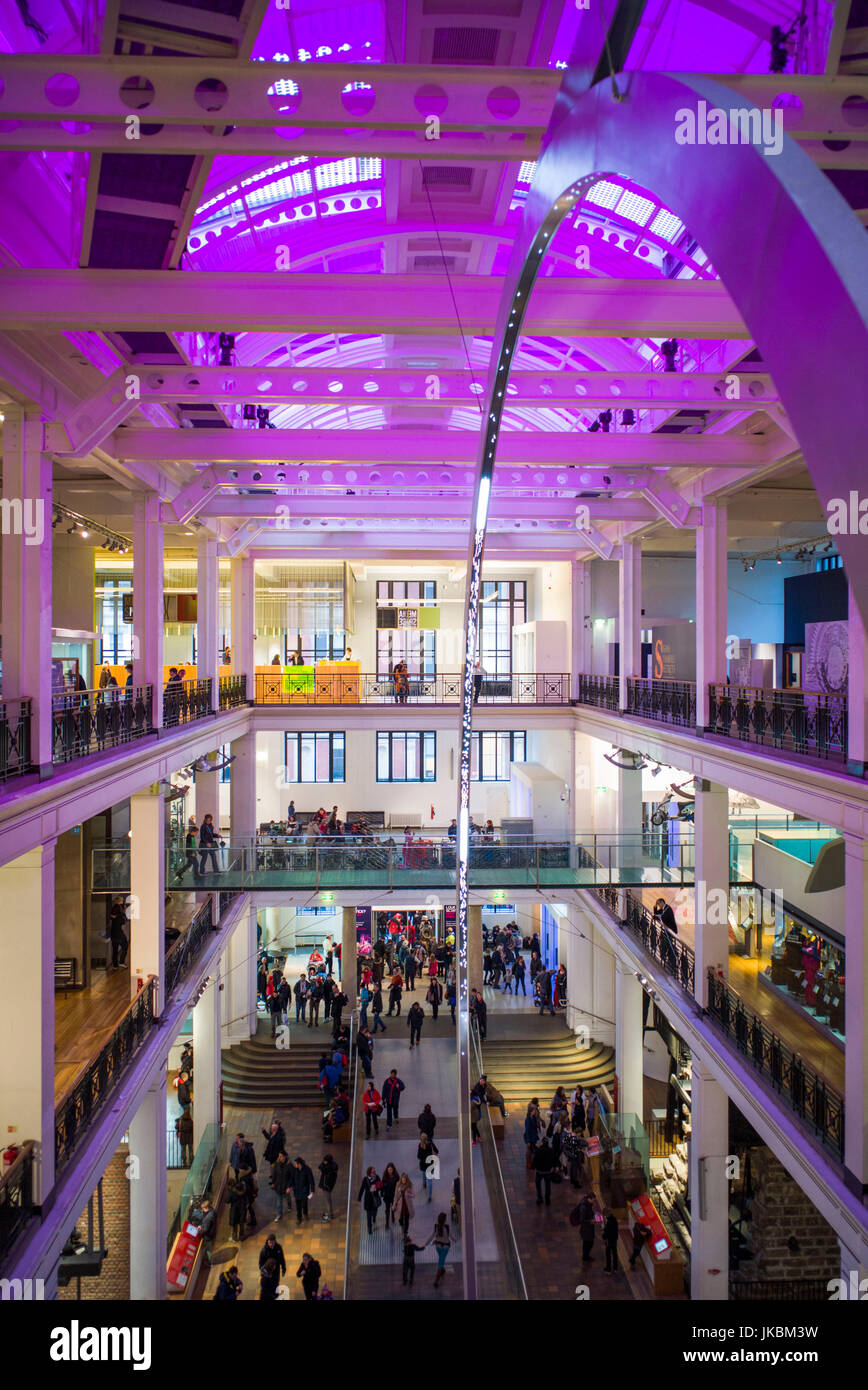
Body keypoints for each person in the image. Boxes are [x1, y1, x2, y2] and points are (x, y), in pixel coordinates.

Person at [427, 1212, 452, 1287]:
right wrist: (455, 1240)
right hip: (445, 1247)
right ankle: (436, 1281)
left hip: (438, 1247)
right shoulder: (446, 1227)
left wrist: (426, 1243)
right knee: (440, 1263)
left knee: (441, 1259)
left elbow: (432, 1236)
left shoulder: (436, 1226)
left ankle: (442, 1270)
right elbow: (450, 1236)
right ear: (444, 1220)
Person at [291, 1155, 315, 1225]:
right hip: (297, 1191)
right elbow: (292, 1179)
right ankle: (299, 1218)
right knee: (298, 1206)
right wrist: (290, 1186)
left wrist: (312, 1190)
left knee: (304, 1204)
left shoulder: (307, 1170)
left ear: (299, 1164)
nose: (294, 1165)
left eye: (295, 1164)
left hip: (304, 1191)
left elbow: (311, 1181)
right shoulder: (294, 1170)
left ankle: (305, 1213)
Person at [532, 1136, 556, 1206]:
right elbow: (553, 1160)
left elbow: (535, 1160)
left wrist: (533, 1167)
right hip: (548, 1171)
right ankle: (547, 1199)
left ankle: (540, 1198)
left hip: (539, 1171)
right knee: (548, 1186)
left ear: (542, 1143)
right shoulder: (551, 1150)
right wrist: (554, 1167)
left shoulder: (539, 1150)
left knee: (538, 1185)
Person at [358, 1166, 382, 1235]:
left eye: (375, 1171)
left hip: (375, 1198)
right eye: (373, 1172)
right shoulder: (365, 1180)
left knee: (375, 1211)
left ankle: (374, 1217)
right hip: (368, 1199)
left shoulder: (377, 1177)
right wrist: (359, 1197)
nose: (374, 1173)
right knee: (368, 1215)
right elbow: (362, 1188)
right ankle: (369, 1227)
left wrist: (377, 1189)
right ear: (369, 1173)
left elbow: (380, 1186)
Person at [108, 896, 129, 969]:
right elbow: (123, 923)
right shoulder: (120, 912)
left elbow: (111, 916)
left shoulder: (114, 909)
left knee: (115, 949)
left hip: (113, 933)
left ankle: (115, 965)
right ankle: (121, 962)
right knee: (125, 945)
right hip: (119, 933)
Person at [418, 1133, 439, 1201]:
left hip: (423, 1164)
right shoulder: (430, 1144)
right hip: (430, 1164)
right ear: (427, 1138)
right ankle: (429, 1196)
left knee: (423, 1173)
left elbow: (418, 1156)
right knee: (429, 1180)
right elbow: (437, 1151)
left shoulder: (420, 1145)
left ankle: (424, 1184)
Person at [393, 1172, 415, 1236]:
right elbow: (396, 1196)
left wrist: (409, 1194)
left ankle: (405, 1232)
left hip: (407, 1205)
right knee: (401, 1219)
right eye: (402, 1180)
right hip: (400, 1205)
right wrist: (394, 1205)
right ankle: (402, 1226)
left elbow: (414, 1195)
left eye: (405, 1180)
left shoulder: (410, 1185)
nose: (403, 1181)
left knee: (407, 1219)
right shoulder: (398, 1185)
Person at [271, 1149, 291, 1222]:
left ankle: (289, 1205)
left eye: (281, 1156)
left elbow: (291, 1177)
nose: (279, 1158)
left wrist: (289, 1186)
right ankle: (279, 1214)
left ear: (285, 1157)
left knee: (287, 1198)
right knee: (279, 1202)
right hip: (278, 1186)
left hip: (285, 1187)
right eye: (279, 1156)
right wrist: (273, 1183)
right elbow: (274, 1174)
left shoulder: (289, 1165)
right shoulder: (277, 1164)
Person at [228, 1175, 248, 1243]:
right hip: (242, 1208)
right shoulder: (242, 1188)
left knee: (234, 1224)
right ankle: (241, 1236)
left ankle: (234, 1237)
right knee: (241, 1222)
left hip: (235, 1210)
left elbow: (227, 1200)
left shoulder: (232, 1192)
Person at [318, 1153, 338, 1222]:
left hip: (327, 1187)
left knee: (328, 1202)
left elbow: (321, 1168)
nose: (323, 1162)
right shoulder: (330, 1166)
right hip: (326, 1186)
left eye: (325, 1161)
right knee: (327, 1201)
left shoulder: (329, 1169)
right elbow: (320, 1166)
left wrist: (327, 1186)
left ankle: (330, 1216)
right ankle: (330, 1214)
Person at [381, 1162, 400, 1230]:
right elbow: (382, 1185)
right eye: (389, 1170)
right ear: (387, 1170)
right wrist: (382, 1193)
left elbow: (399, 1186)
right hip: (387, 1196)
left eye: (391, 1170)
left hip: (394, 1196)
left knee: (393, 1207)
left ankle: (392, 1216)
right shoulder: (385, 1176)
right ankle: (387, 1223)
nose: (390, 1171)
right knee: (387, 1209)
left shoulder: (396, 1176)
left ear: (393, 1169)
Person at [523, 1100, 542, 1167]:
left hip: (533, 1136)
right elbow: (527, 1130)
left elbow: (535, 1124)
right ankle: (528, 1162)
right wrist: (528, 1141)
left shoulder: (533, 1117)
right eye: (534, 1111)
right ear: (531, 1111)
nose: (535, 1112)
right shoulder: (528, 1119)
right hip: (530, 1137)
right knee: (529, 1151)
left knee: (532, 1149)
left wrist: (537, 1128)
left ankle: (531, 1161)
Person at [603, 1209, 620, 1273]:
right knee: (615, 1253)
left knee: (608, 1254)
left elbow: (607, 1233)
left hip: (609, 1241)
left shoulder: (609, 1222)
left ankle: (608, 1269)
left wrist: (603, 1235)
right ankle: (615, 1268)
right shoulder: (614, 1219)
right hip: (614, 1239)